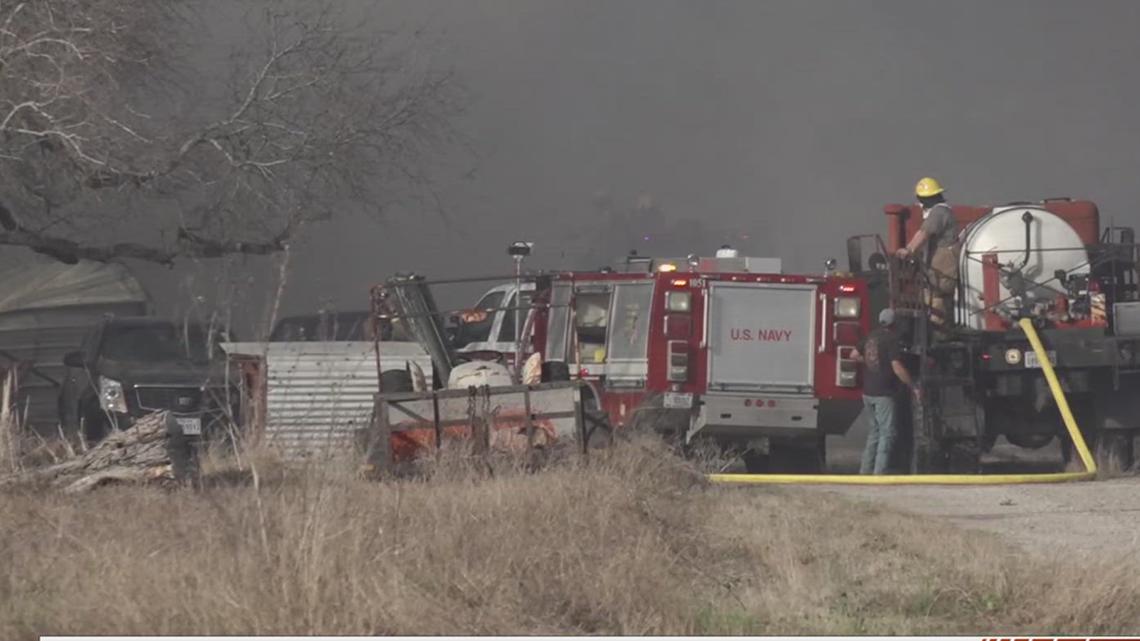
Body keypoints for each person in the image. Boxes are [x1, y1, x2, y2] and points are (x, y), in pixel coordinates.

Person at [852, 308, 917, 475]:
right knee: (887, 434)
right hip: (883, 394)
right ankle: (879, 474)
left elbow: (853, 355)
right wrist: (913, 386)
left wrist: (870, 361)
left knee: (874, 432)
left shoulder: (870, 336)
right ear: (895, 323)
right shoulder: (891, 340)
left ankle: (865, 472)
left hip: (868, 393)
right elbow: (897, 367)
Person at [896, 176, 959, 327]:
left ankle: (936, 329)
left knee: (936, 293)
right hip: (942, 261)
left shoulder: (939, 213)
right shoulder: (943, 211)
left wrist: (909, 250)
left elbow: (924, 233)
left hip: (943, 264)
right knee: (934, 293)